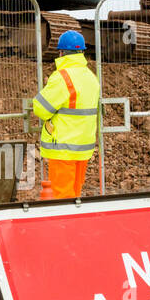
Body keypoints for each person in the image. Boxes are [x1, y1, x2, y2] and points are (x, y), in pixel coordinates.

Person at [32, 30, 101, 199]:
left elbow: (40, 108)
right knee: (75, 195)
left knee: (62, 198)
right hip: (83, 147)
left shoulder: (62, 77)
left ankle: (64, 225)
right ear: (81, 52)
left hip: (64, 148)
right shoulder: (91, 77)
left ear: (61, 52)